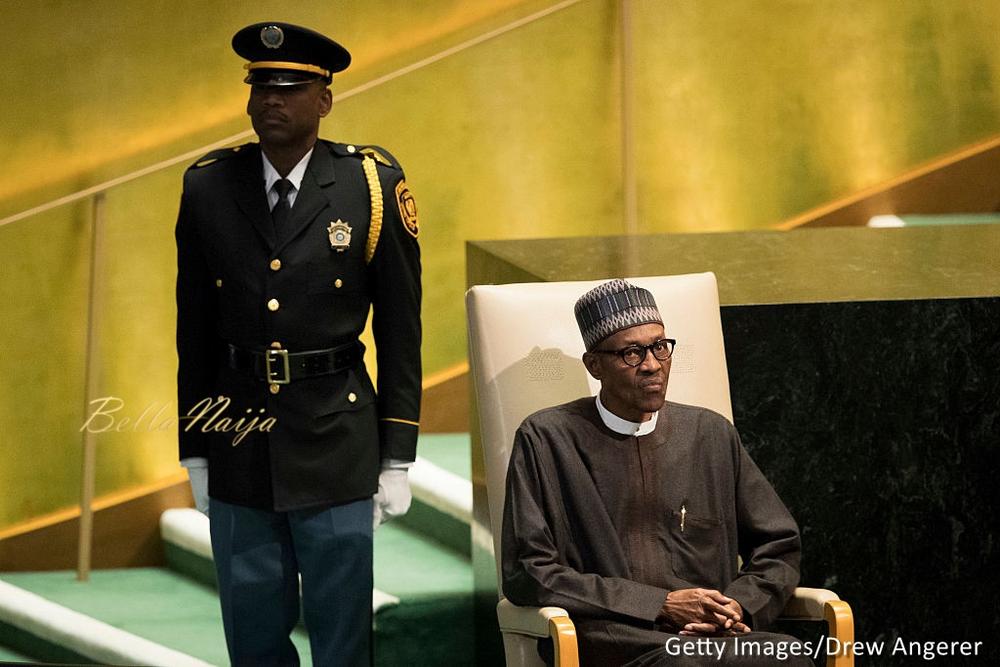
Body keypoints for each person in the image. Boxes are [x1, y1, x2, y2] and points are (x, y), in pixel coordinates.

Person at [174, 21, 421, 666]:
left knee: (342, 637)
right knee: (253, 634)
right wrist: (195, 448)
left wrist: (397, 454)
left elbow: (400, 324)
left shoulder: (368, 184)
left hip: (336, 435)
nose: (270, 101)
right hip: (239, 439)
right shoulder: (208, 186)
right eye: (260, 87)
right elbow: (194, 328)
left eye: (289, 87)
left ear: (325, 100)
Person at [501, 280, 811, 666]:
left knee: (789, 658)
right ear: (594, 365)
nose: (651, 365)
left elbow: (778, 546)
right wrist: (660, 605)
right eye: (631, 353)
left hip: (714, 639)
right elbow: (528, 572)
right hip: (617, 642)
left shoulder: (709, 434)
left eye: (659, 347)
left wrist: (738, 605)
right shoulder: (547, 439)